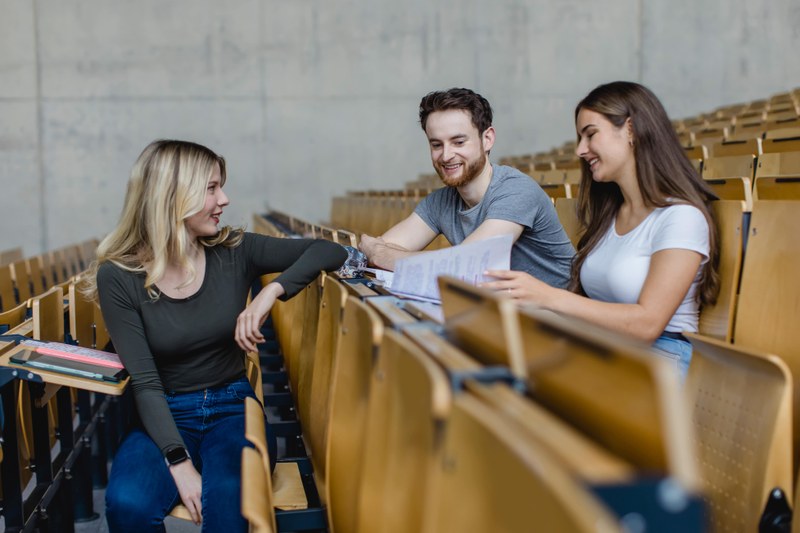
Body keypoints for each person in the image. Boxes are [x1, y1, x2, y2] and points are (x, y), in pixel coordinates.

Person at [82, 140, 347, 532]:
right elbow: (146, 383)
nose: (224, 199)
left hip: (232, 408)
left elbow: (330, 251)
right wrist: (179, 462)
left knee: (230, 505)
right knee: (126, 506)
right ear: (172, 197)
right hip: (165, 414)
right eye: (211, 188)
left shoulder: (235, 249)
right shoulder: (119, 276)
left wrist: (270, 293)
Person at [482, 81, 720, 378]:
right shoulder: (611, 214)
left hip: (657, 364)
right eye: (580, 138)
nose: (581, 150)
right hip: (606, 351)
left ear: (631, 130)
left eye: (591, 135)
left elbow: (648, 325)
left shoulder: (682, 217)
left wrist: (548, 297)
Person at [358, 87, 575, 288]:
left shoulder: (516, 190)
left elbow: (461, 267)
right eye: (436, 145)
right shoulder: (440, 201)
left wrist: (380, 253)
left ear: (487, 139)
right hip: (504, 312)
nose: (446, 155)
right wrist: (379, 252)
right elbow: (377, 251)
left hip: (560, 320)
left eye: (459, 142)